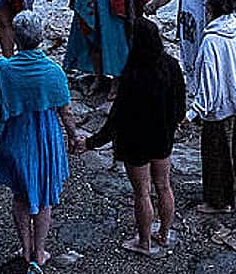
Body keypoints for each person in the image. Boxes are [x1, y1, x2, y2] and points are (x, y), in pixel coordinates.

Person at [0, 11, 81, 265]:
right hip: (45, 137)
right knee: (43, 199)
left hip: (16, 136)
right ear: (41, 37)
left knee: (20, 195)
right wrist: (75, 136)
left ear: (16, 37)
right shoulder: (53, 71)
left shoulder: (3, 70)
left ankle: (25, 248)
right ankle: (40, 251)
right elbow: (65, 111)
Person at [74, 19, 185, 256]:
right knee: (164, 186)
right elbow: (180, 106)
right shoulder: (172, 66)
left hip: (136, 142)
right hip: (162, 137)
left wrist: (91, 143)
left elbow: (116, 119)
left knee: (142, 192)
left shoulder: (132, 75)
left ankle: (144, 242)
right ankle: (164, 234)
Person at [187, 0, 236, 214]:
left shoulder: (211, 40)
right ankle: (232, 194)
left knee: (215, 156)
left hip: (220, 107)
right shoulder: (233, 27)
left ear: (211, 7)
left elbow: (209, 83)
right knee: (234, 150)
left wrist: (195, 111)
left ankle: (217, 202)